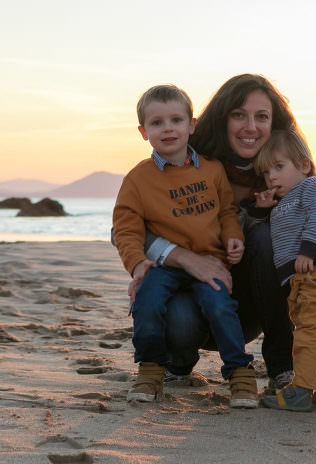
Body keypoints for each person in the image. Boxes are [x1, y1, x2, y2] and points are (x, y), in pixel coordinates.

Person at [135, 74, 316, 394]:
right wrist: (185, 259)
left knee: (267, 239)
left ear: (274, 124)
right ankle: (177, 362)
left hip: (251, 307)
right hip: (192, 293)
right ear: (222, 119)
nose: (250, 126)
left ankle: (282, 366)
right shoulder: (187, 163)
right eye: (239, 114)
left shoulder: (287, 179)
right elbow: (124, 229)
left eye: (261, 116)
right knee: (180, 321)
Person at [113, 84, 257, 407]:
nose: (168, 129)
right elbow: (125, 228)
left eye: (176, 120)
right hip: (164, 266)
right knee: (146, 302)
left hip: (211, 260)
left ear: (191, 126)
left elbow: (226, 211)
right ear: (143, 131)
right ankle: (150, 369)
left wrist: (234, 236)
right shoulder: (137, 180)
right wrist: (137, 265)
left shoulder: (211, 170)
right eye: (157, 123)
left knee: (221, 306)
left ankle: (240, 374)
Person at [248, 130, 316, 412]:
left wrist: (308, 249)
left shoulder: (314, 187)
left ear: (304, 165)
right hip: (307, 278)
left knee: (304, 333)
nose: (272, 178)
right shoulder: (286, 202)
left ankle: (302, 390)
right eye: (267, 172)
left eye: (280, 167)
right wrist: (263, 210)